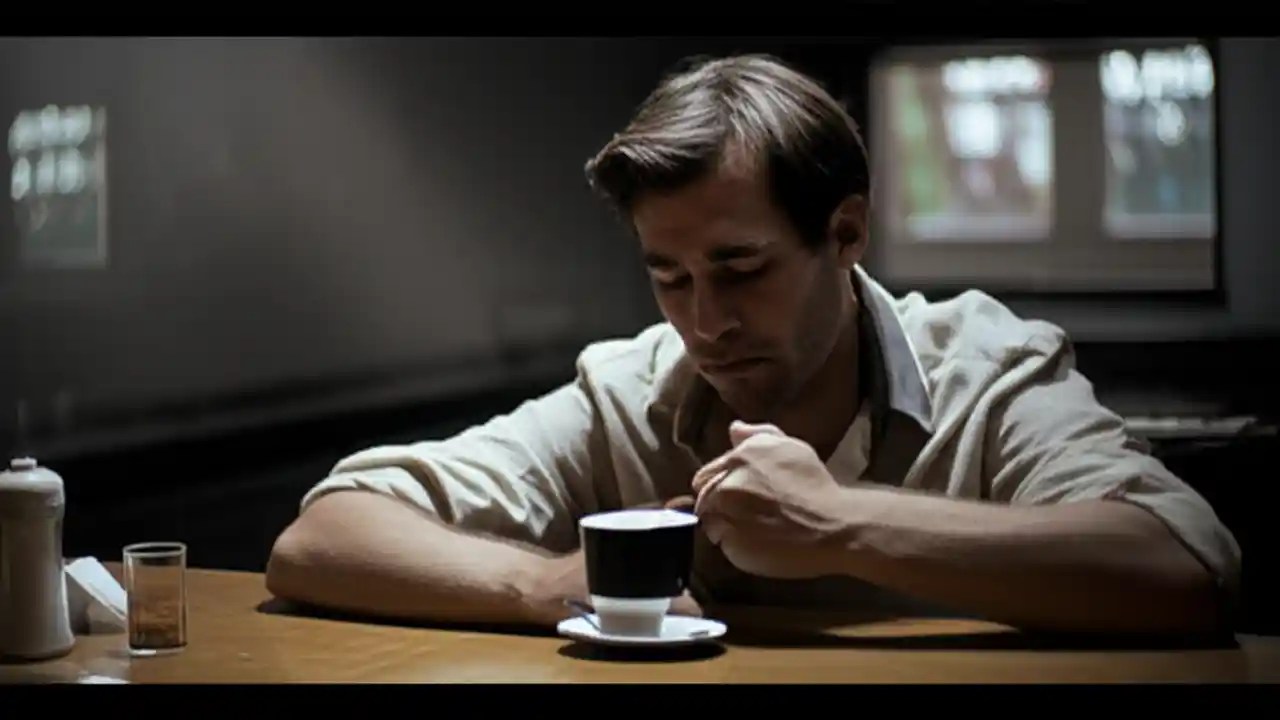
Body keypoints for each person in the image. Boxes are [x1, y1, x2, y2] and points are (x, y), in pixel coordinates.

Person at [265, 54, 1240, 637]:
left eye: (740, 270)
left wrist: (838, 524)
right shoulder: (632, 388)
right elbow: (323, 537)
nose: (703, 321)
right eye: (668, 276)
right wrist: (541, 585)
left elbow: (1181, 570)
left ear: (845, 235)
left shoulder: (986, 369)